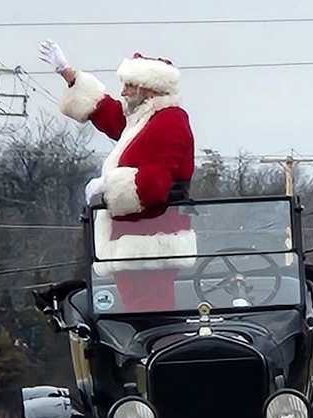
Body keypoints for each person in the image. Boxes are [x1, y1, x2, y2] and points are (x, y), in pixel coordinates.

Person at [38, 40, 196, 312]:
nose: (122, 92)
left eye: (128, 85)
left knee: (150, 314)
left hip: (148, 242)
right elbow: (111, 115)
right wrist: (69, 74)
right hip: (138, 240)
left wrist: (106, 188)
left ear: (147, 88)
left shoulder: (169, 122)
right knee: (141, 311)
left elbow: (154, 187)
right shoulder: (148, 118)